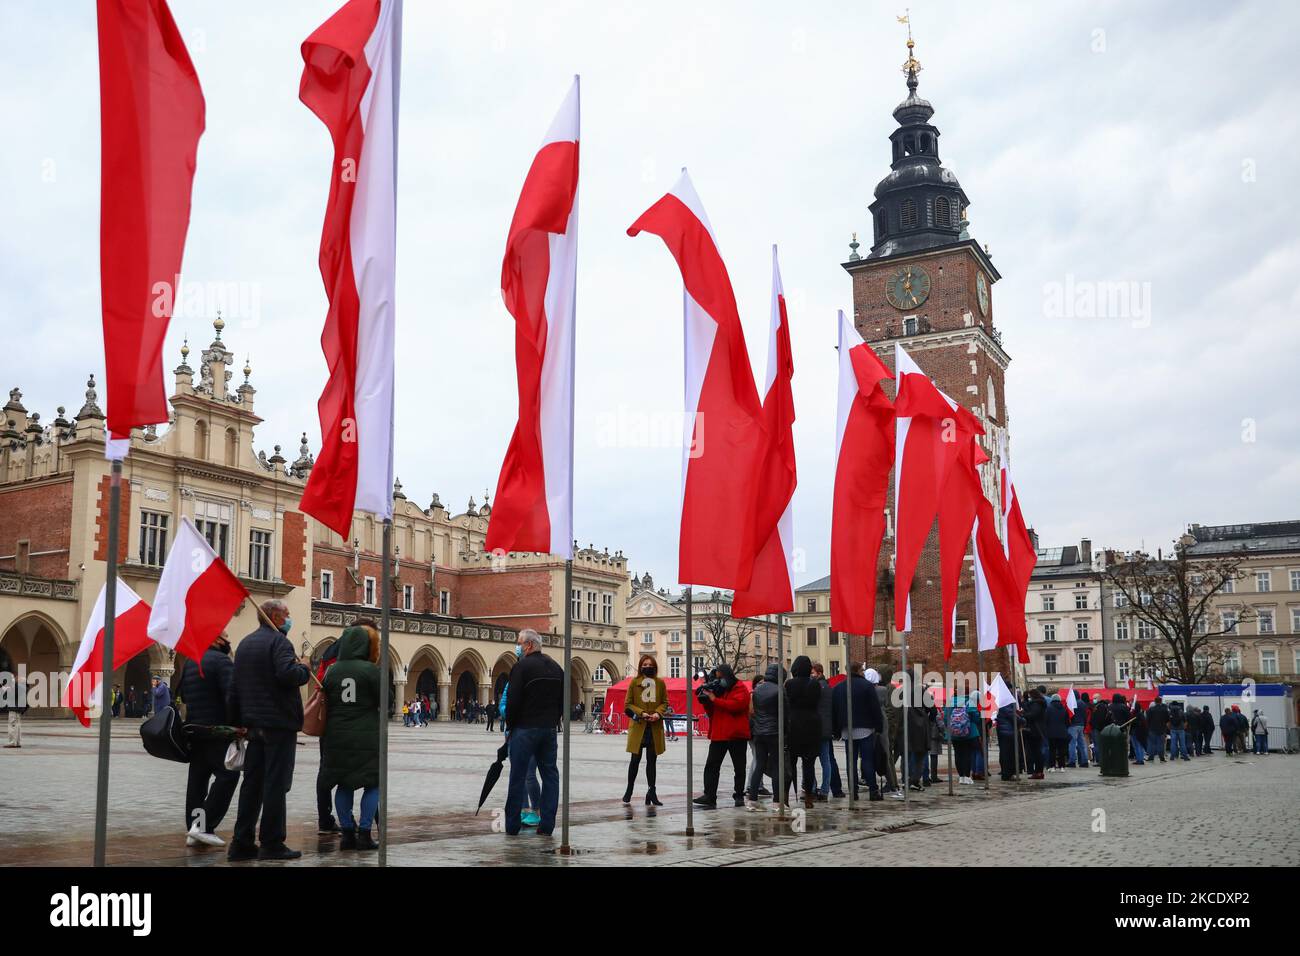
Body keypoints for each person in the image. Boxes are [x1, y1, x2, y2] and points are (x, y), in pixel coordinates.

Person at [227, 599, 311, 861]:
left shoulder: (245, 644)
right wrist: (304, 668)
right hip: (278, 725)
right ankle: (272, 842)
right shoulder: (280, 643)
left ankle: (241, 842)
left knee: (252, 785)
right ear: (274, 617)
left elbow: (234, 687)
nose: (289, 618)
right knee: (276, 785)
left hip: (253, 726)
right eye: (286, 614)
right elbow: (288, 675)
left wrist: (237, 721)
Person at [318, 625, 381, 851]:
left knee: (343, 785)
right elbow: (387, 698)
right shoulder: (371, 670)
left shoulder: (332, 670)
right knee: (372, 784)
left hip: (336, 735)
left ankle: (347, 834)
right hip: (366, 736)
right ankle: (364, 833)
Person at [178, 632, 239, 847]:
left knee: (198, 782)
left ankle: (193, 828)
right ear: (215, 639)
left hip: (195, 729)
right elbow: (232, 696)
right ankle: (203, 826)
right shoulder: (222, 661)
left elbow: (183, 695)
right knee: (228, 775)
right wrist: (238, 724)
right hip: (217, 730)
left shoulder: (191, 662)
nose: (227, 640)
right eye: (224, 636)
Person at [503, 629, 563, 835]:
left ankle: (512, 825)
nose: (517, 646)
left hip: (525, 728)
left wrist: (510, 725)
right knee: (550, 775)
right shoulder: (556, 668)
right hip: (548, 729)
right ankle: (547, 825)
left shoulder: (521, 667)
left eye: (519, 643)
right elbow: (562, 701)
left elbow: (513, 701)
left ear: (528, 645)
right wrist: (554, 722)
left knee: (518, 775)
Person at [695, 663, 751, 809]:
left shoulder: (740, 688)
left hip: (736, 734)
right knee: (712, 766)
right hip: (719, 734)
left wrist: (714, 699)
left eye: (721, 678)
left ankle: (739, 795)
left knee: (739, 767)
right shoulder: (718, 690)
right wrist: (706, 701)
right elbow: (712, 712)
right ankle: (709, 795)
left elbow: (735, 706)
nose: (719, 681)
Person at [831, 662, 883, 800]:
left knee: (851, 762)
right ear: (859, 671)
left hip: (846, 729)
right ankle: (873, 790)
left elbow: (834, 711)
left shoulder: (838, 688)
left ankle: (853, 791)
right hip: (865, 728)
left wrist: (836, 730)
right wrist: (879, 726)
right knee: (867, 760)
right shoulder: (867, 686)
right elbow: (875, 708)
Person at [623, 654, 668, 806]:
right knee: (634, 760)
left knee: (652, 761)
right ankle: (629, 789)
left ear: (655, 666)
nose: (647, 667)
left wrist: (657, 713)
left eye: (650, 664)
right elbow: (628, 704)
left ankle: (652, 791)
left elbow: (664, 702)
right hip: (638, 727)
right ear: (641, 666)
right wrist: (641, 713)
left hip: (654, 727)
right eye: (645, 664)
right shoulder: (634, 683)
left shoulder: (660, 683)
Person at [785, 656, 822, 808]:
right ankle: (808, 797)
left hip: (794, 724)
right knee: (809, 764)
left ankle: (786, 796)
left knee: (790, 763)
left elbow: (786, 704)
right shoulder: (815, 684)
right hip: (812, 724)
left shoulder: (789, 684)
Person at [745, 665, 781, 809]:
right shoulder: (779, 690)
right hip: (773, 732)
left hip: (759, 732)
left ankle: (752, 799)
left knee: (759, 763)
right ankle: (777, 801)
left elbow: (752, 711)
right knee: (777, 765)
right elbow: (784, 712)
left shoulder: (755, 692)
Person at [811, 663, 844, 799]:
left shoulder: (814, 688)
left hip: (815, 729)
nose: (811, 676)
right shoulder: (830, 688)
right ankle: (826, 790)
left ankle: (812, 788)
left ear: (819, 673)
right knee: (827, 760)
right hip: (826, 729)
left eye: (812, 673)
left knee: (811, 760)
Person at [946, 693, 982, 783]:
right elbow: (976, 717)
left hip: (954, 733)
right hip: (968, 733)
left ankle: (961, 776)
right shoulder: (969, 701)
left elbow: (946, 717)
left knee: (958, 754)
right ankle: (966, 776)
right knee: (967, 754)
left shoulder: (950, 702)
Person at [1022, 689, 1046, 779]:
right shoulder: (1039, 703)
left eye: (1030, 696)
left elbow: (1033, 715)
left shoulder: (1037, 704)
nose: (1029, 698)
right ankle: (1038, 771)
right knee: (1036, 751)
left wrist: (1023, 714)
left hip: (1035, 730)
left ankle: (1038, 772)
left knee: (1036, 752)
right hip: (1036, 730)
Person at [995, 698, 1021, 781]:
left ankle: (1006, 773)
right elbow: (1012, 716)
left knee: (1004, 753)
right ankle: (1007, 774)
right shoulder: (1005, 703)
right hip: (1008, 732)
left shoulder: (1001, 702)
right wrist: (1023, 720)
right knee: (1008, 754)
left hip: (1002, 731)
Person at [1044, 694, 1070, 771]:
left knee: (1052, 749)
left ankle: (1052, 766)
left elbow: (1046, 720)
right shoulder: (1064, 709)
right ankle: (1062, 766)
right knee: (1061, 750)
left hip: (1051, 732)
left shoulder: (1048, 708)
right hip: (1062, 732)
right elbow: (1067, 722)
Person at [1067, 692, 1090, 768]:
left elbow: (1070, 714)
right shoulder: (1083, 703)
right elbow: (1085, 715)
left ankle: (1072, 761)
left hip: (1073, 725)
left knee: (1072, 744)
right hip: (1081, 725)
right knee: (1082, 744)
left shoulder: (1072, 703)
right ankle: (1085, 761)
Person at [1146, 696, 1169, 762]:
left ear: (1155, 702)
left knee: (1152, 744)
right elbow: (1167, 719)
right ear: (1161, 701)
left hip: (1152, 729)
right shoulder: (1164, 709)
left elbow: (1148, 720)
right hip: (1162, 729)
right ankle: (1161, 758)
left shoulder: (1150, 710)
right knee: (1161, 744)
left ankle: (1151, 757)